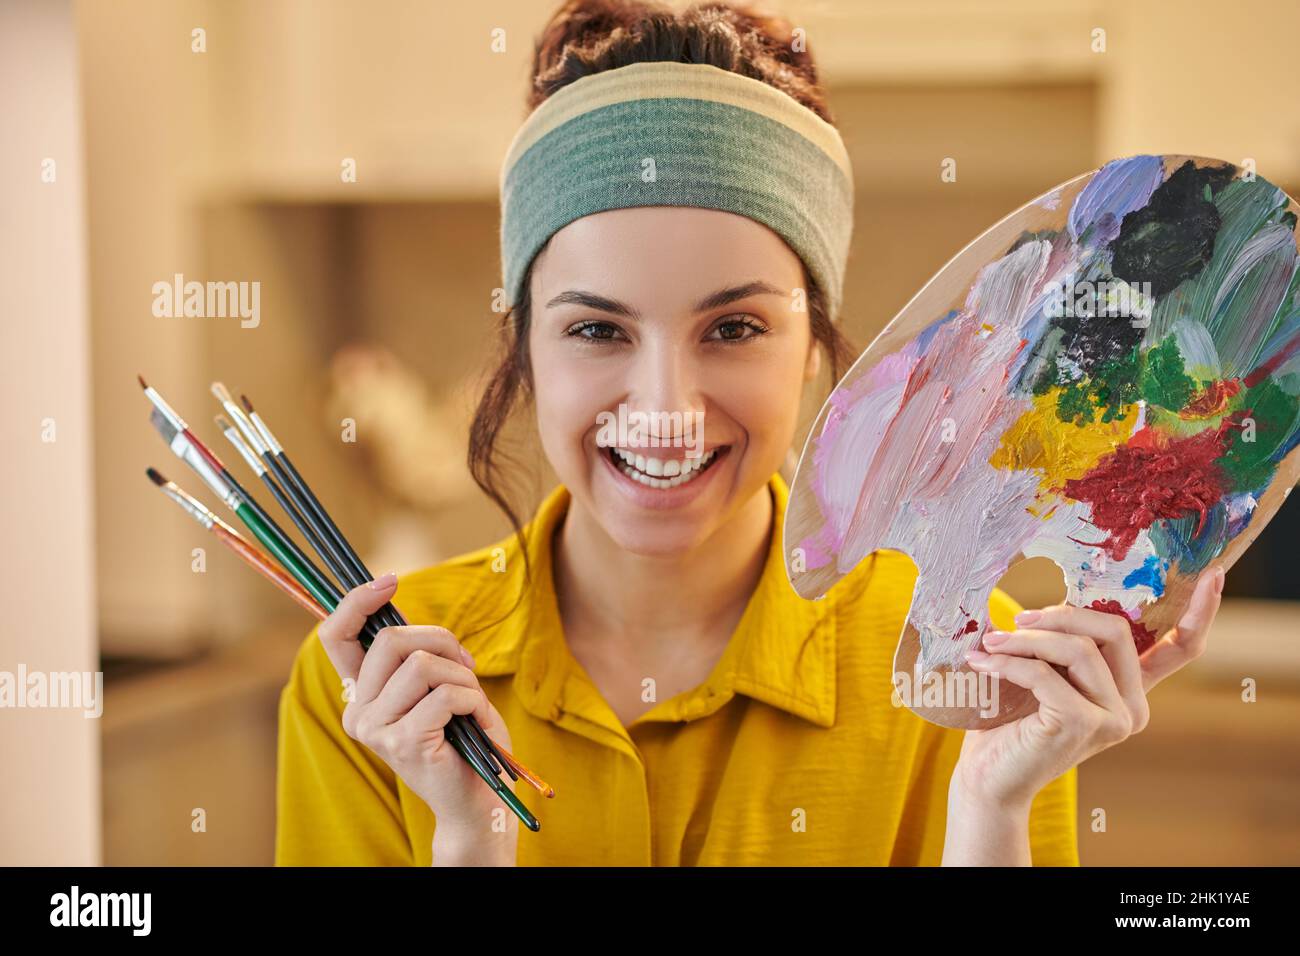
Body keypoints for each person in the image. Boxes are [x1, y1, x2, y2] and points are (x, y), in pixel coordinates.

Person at [275, 0, 1223, 866]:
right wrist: (470, 835)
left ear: (817, 347)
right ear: (524, 347)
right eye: (597, 329)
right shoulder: (375, 686)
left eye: (733, 328)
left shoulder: (966, 666)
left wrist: (989, 809)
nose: (666, 408)